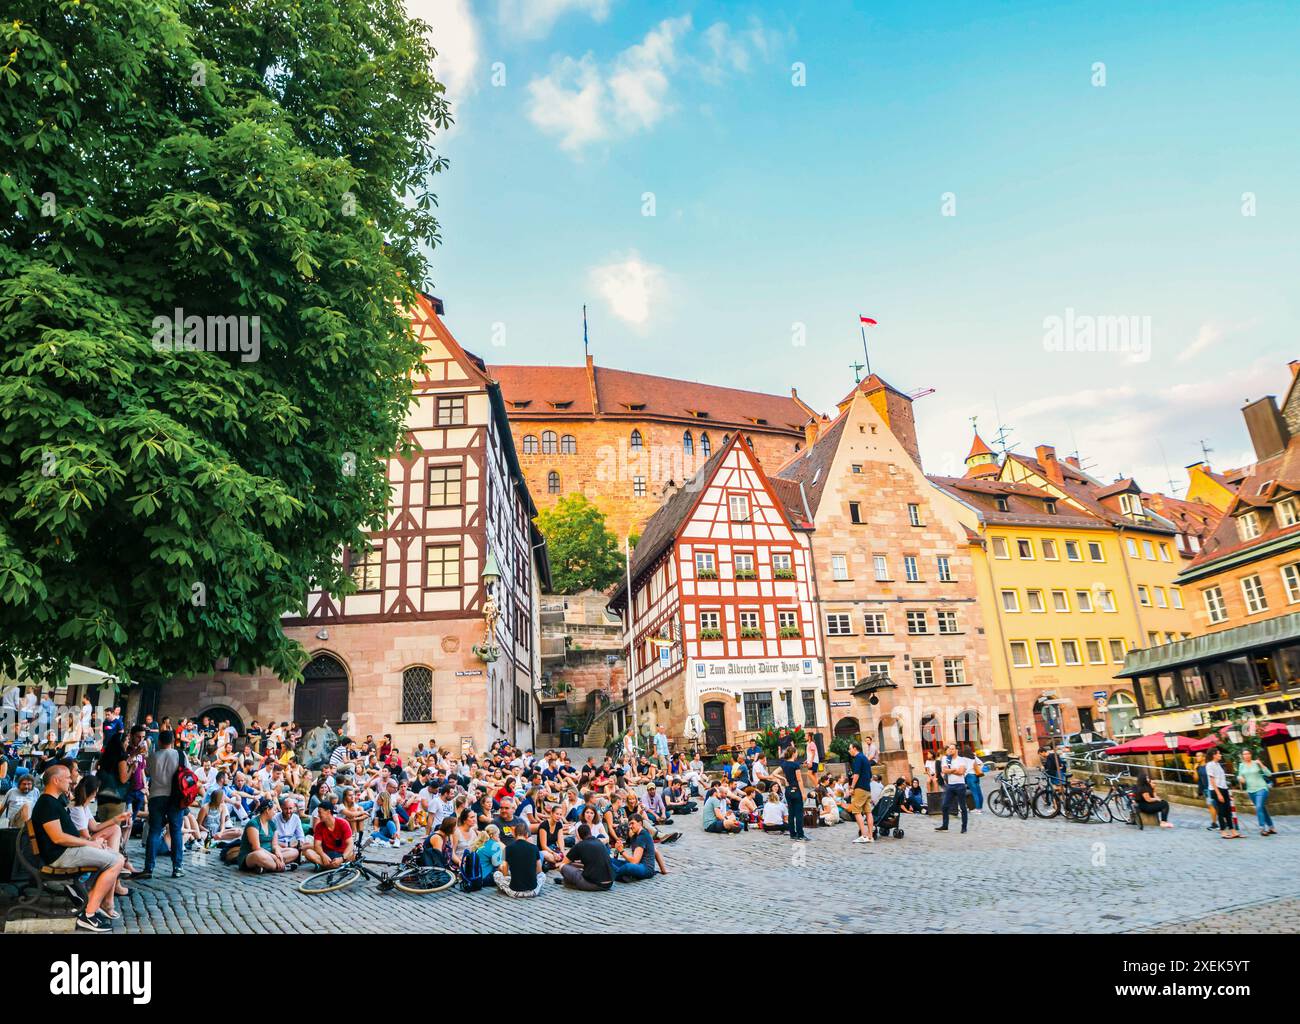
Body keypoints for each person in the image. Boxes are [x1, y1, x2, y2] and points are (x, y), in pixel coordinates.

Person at [32, 764, 125, 932]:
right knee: (117, 860)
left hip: (66, 853)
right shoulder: (47, 803)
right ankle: (88, 914)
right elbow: (58, 837)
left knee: (113, 856)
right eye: (67, 777)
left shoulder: (53, 801)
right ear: (55, 780)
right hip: (61, 855)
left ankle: (91, 901)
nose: (71, 781)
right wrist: (90, 843)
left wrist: (95, 844)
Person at [139, 728, 185, 880]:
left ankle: (148, 867)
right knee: (176, 831)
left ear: (159, 741)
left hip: (156, 796)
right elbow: (187, 774)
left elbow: (147, 773)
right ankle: (177, 867)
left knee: (154, 831)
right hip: (175, 797)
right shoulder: (180, 754)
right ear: (172, 741)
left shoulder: (153, 756)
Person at [238, 797, 293, 873]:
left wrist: (278, 852)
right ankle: (283, 867)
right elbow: (256, 848)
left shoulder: (272, 823)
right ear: (267, 810)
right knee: (258, 855)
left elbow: (275, 844)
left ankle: (265, 867)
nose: (275, 813)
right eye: (274, 810)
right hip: (252, 855)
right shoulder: (253, 823)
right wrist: (275, 858)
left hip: (269, 854)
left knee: (294, 852)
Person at [493, 818, 544, 898]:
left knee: (497, 874)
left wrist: (508, 876)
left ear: (514, 834)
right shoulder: (535, 848)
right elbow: (539, 871)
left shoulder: (506, 849)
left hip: (515, 891)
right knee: (542, 875)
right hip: (533, 891)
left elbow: (505, 871)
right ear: (527, 834)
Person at [556, 823, 614, 891]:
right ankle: (568, 882)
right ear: (590, 832)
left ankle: (567, 883)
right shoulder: (600, 843)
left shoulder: (580, 845)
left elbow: (564, 863)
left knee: (562, 867)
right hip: (609, 883)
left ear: (579, 836)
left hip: (594, 884)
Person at [303, 801, 356, 869]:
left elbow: (350, 844)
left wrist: (342, 858)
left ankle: (325, 866)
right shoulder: (319, 826)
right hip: (327, 855)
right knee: (308, 852)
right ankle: (337, 866)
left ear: (328, 812)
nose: (318, 815)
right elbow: (317, 845)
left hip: (342, 854)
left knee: (352, 854)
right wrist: (323, 855)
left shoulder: (343, 823)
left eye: (320, 812)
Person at [1236, 749, 1276, 836]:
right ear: (1243, 756)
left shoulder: (1256, 763)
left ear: (1251, 754)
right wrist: (1240, 778)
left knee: (1258, 807)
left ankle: (1262, 828)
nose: (1246, 755)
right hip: (1250, 790)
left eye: (1248, 753)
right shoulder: (1241, 765)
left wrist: (1261, 764)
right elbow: (1239, 775)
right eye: (1244, 754)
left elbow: (1269, 774)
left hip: (1262, 788)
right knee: (1261, 808)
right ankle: (1271, 827)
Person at [936, 744, 972, 834]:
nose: (950, 751)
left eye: (952, 749)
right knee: (945, 806)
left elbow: (961, 772)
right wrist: (954, 769)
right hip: (950, 786)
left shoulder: (961, 760)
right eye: (949, 749)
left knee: (963, 807)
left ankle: (964, 827)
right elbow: (944, 771)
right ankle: (945, 826)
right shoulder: (945, 759)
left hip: (960, 785)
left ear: (956, 750)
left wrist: (950, 770)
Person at [1205, 748, 1239, 838]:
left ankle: (1233, 830)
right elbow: (1212, 780)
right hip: (1216, 790)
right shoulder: (1209, 765)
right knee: (1221, 811)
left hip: (1224, 789)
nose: (1220, 755)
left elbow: (1221, 779)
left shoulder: (1218, 764)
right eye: (1219, 753)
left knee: (1228, 810)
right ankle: (1223, 831)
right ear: (1214, 755)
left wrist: (1226, 792)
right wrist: (1219, 794)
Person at [612, 814, 659, 881]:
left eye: (632, 823)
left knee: (627, 867)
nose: (630, 826)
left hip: (646, 868)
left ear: (640, 823)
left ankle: (616, 875)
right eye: (629, 824)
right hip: (638, 866)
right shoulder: (635, 836)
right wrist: (663, 870)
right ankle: (624, 875)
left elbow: (635, 861)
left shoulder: (642, 836)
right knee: (609, 860)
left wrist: (621, 851)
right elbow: (656, 851)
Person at [777, 743, 808, 841]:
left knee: (791, 812)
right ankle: (800, 834)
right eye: (796, 753)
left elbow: (774, 773)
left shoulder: (784, 764)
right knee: (799, 813)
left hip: (788, 790)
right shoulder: (795, 765)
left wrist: (784, 779)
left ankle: (792, 833)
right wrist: (803, 793)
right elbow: (799, 780)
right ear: (793, 753)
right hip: (796, 789)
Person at [845, 740, 874, 844]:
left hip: (860, 788)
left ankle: (864, 835)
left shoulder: (857, 758)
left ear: (855, 748)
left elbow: (856, 774)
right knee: (868, 812)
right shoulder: (865, 758)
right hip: (867, 788)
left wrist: (852, 787)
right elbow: (870, 775)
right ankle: (870, 836)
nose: (849, 751)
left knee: (856, 811)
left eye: (850, 748)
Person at [1194, 751, 1217, 830]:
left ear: (1204, 757)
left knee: (1212, 806)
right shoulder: (1198, 767)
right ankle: (1216, 823)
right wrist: (1195, 769)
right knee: (1211, 806)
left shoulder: (1208, 766)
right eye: (1196, 756)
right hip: (1205, 790)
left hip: (1212, 788)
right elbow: (1196, 779)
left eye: (1199, 756)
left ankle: (1214, 823)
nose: (1197, 757)